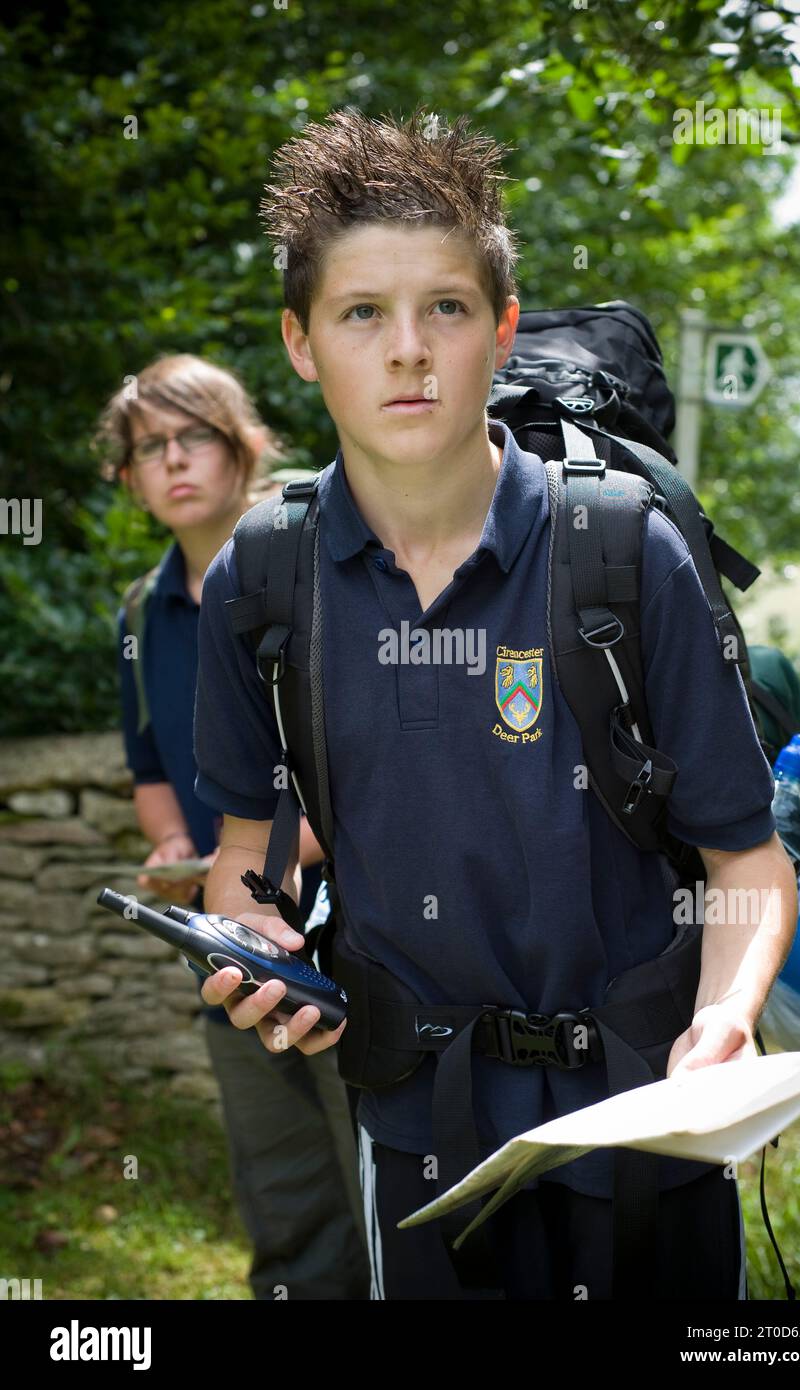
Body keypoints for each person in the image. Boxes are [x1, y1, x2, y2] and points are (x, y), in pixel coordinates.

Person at [191, 107, 799, 1301]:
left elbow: (743, 862)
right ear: (301, 344)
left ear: (501, 326)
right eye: (362, 312)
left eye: (447, 310)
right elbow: (248, 863)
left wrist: (722, 1022)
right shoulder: (259, 583)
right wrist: (261, 955)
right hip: (418, 1131)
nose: (407, 349)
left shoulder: (621, 555)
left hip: (648, 1122)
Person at [93, 353, 370, 1299]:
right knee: (276, 1156)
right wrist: (178, 848)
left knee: (373, 1147)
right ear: (127, 477)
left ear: (243, 443)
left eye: (192, 437)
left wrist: (260, 859)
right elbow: (150, 769)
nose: (171, 461)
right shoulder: (144, 608)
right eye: (146, 449)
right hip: (223, 930)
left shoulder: (326, 554)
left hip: (356, 923)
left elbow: (378, 760)